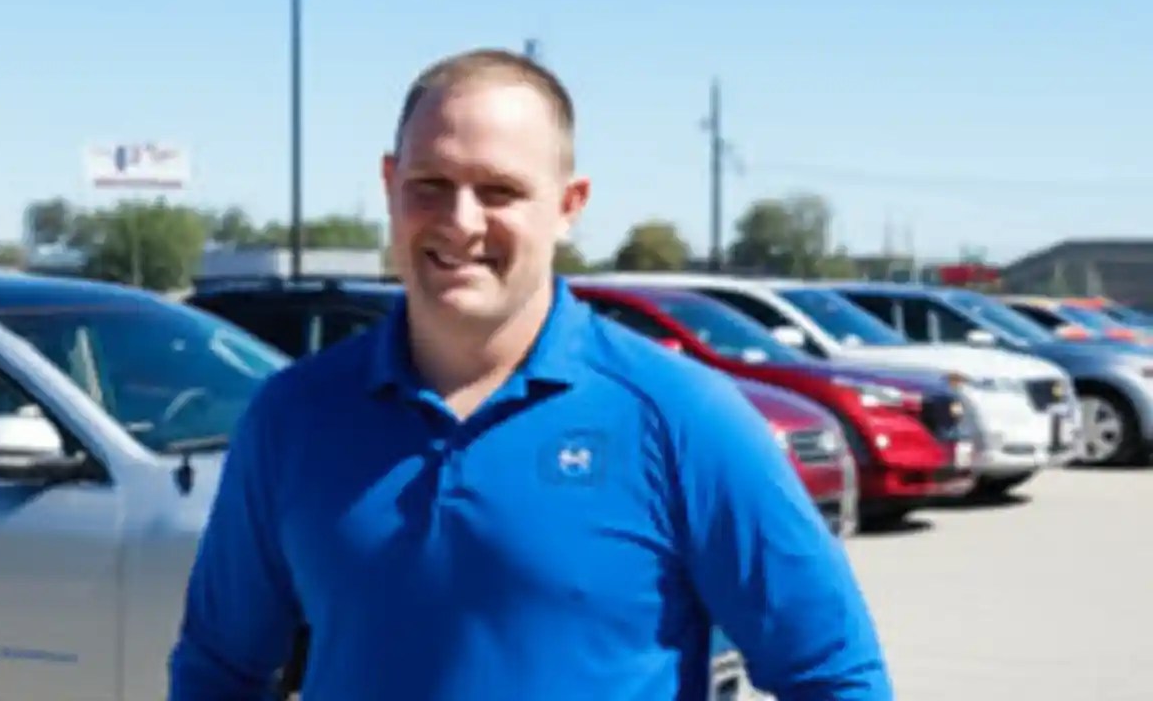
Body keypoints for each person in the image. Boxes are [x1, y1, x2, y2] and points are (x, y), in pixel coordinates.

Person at [168, 47, 893, 700]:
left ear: (569, 205)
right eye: (431, 182)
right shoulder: (295, 416)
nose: (460, 220)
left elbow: (834, 676)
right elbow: (219, 669)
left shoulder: (679, 417)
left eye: (499, 191)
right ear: (389, 185)